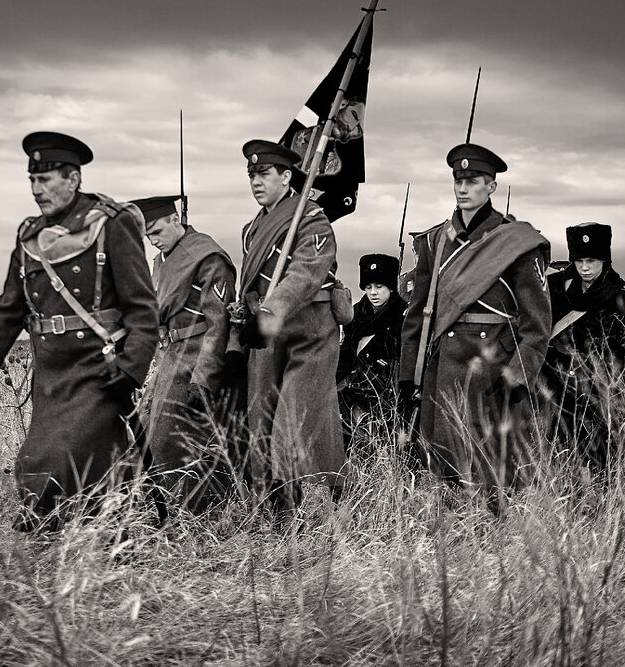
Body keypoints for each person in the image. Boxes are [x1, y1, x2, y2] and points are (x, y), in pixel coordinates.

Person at [0, 132, 159, 532]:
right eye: (32, 180)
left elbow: (142, 310)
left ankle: (68, 548)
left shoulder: (111, 225)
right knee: (55, 469)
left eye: (45, 180)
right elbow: (7, 310)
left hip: (100, 375)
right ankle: (90, 550)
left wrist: (131, 369)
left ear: (73, 179)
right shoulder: (29, 237)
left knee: (51, 467)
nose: (36, 190)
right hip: (51, 378)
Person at [398, 143, 551, 510]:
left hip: (490, 369)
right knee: (442, 463)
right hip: (443, 366)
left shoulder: (516, 243)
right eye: (458, 180)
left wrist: (517, 375)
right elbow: (418, 313)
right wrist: (409, 376)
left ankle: (493, 539)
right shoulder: (435, 241)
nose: (464, 188)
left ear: (492, 187)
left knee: (491, 469)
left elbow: (537, 324)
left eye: (474, 181)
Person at [232, 139, 345, 515]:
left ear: (285, 176)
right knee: (259, 421)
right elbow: (255, 283)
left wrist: (269, 312)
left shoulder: (312, 220)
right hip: (268, 334)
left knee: (295, 423)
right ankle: (277, 515)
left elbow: (303, 275)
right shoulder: (252, 230)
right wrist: (245, 312)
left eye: (264, 174)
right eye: (252, 175)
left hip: (310, 332)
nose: (256, 182)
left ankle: (322, 508)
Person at [133, 195, 240, 512]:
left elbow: (218, 323)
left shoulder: (207, 257)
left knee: (171, 441)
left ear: (175, 219)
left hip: (195, 358)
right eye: (147, 236)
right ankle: (162, 512)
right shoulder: (160, 261)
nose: (153, 241)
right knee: (147, 434)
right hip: (169, 356)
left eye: (156, 231)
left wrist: (204, 377)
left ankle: (198, 515)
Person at [543, 224, 625, 476]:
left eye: (592, 260)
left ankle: (605, 511)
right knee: (560, 462)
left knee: (604, 465)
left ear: (604, 260)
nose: (585, 267)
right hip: (558, 390)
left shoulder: (622, 296)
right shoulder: (553, 287)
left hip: (602, 393)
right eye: (580, 260)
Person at [337, 253, 408, 452]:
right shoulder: (356, 314)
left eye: (379, 287)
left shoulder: (403, 316)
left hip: (389, 393)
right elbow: (346, 353)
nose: (373, 293)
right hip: (355, 389)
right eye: (369, 287)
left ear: (391, 287)